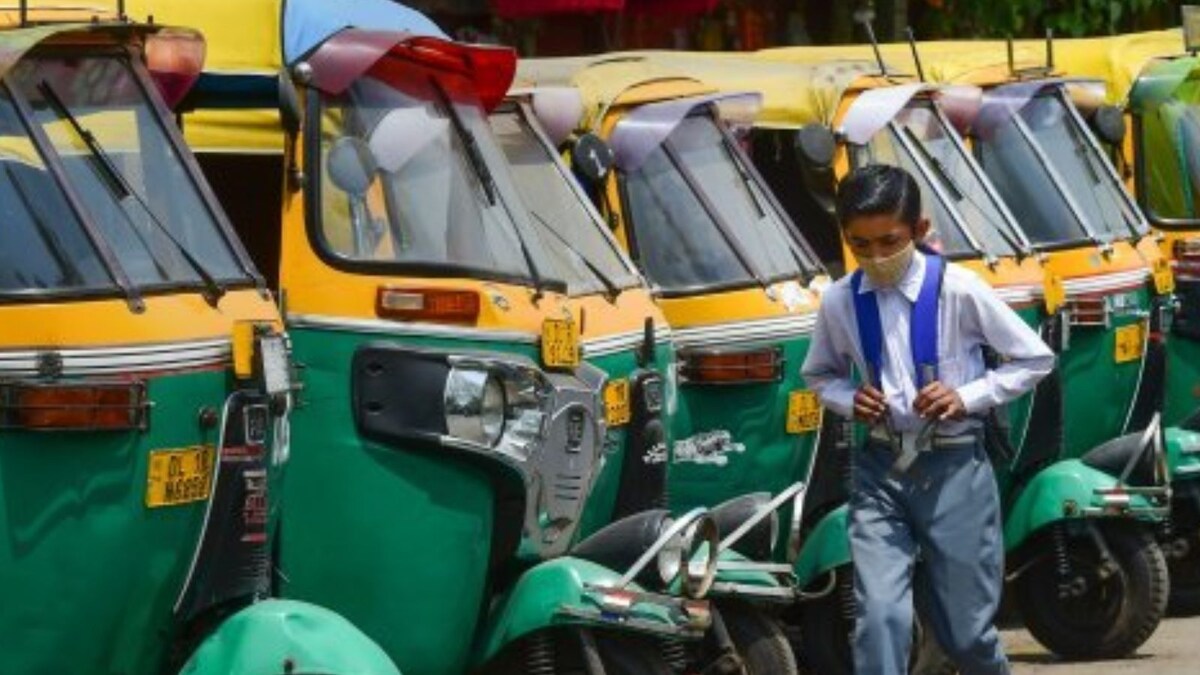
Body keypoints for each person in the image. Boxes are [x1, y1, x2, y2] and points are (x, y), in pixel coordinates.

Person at [801, 165, 1055, 674]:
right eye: (860, 245)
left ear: (918, 230)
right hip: (880, 470)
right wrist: (850, 400)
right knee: (879, 619)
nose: (875, 257)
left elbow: (1034, 359)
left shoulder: (960, 290)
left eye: (888, 241)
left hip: (955, 467)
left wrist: (966, 395)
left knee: (967, 635)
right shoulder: (839, 301)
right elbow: (820, 375)